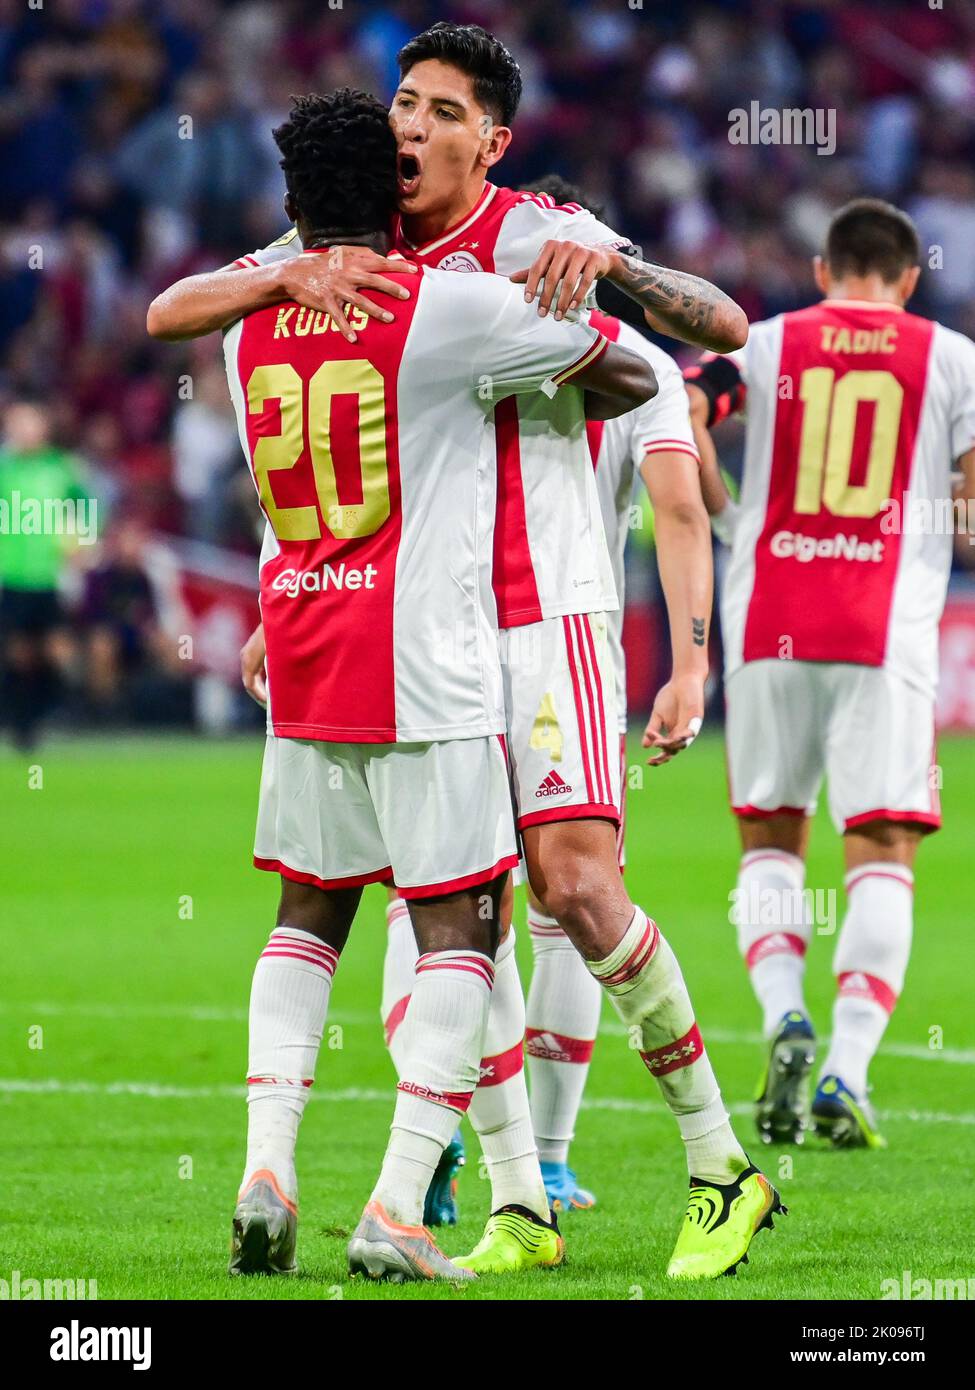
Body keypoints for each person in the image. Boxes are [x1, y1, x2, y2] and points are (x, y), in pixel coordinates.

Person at [153, 22, 781, 1284]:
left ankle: (723, 1166)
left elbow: (722, 328)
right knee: (453, 919)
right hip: (410, 627)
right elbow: (183, 306)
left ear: (490, 140)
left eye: (441, 110)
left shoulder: (529, 239)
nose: (410, 126)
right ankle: (516, 1200)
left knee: (571, 887)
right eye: (401, 101)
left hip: (542, 612)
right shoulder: (335, 249)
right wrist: (285, 279)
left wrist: (614, 258)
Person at [215, 87, 656, 1283]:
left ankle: (267, 1165)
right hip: (426, 667)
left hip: (303, 654)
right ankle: (399, 1205)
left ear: (295, 207)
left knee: (309, 911)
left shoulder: (244, 325)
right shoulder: (451, 305)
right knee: (460, 923)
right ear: (395, 190)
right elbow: (631, 376)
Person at [685, 197, 975, 1148]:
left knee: (770, 839)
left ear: (822, 273)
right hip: (881, 632)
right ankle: (845, 1072)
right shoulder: (952, 359)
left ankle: (781, 1016)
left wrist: (725, 511)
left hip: (767, 614)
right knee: (881, 850)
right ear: (909, 277)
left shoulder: (767, 342)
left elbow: (685, 403)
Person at [0, 401, 89, 749]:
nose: (23, 430)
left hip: (50, 575)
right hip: (13, 574)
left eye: (29, 422)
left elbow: (83, 508)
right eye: (16, 424)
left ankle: (75, 712)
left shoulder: (63, 468)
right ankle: (24, 723)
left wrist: (80, 543)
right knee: (19, 652)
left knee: (58, 648)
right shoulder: (6, 470)